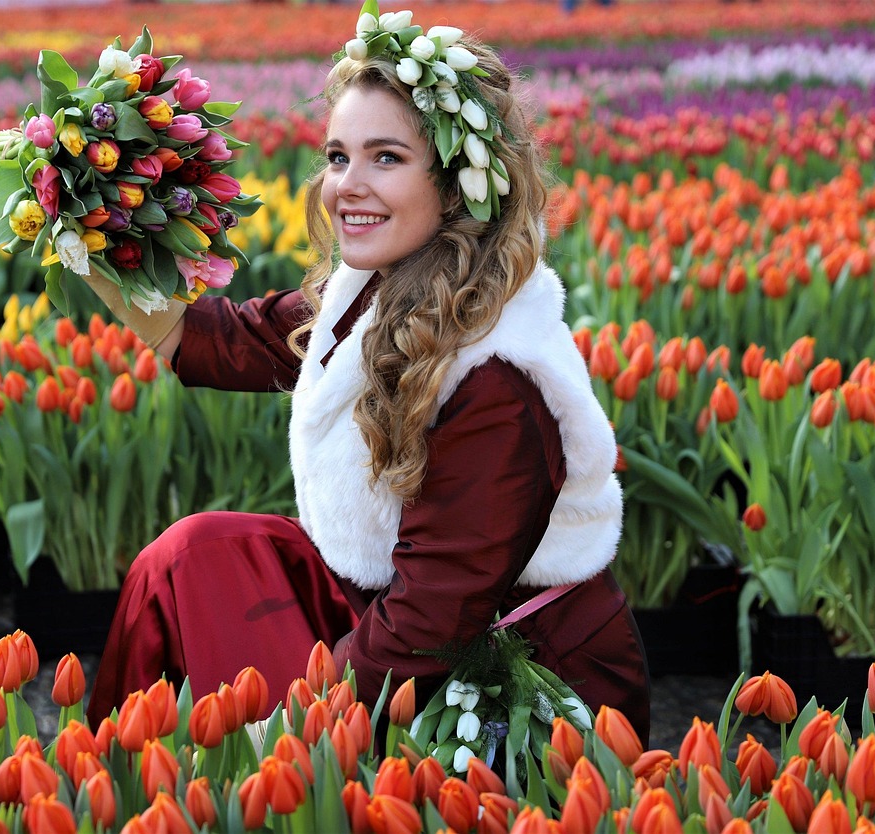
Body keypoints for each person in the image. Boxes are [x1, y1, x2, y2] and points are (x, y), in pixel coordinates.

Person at [84, 11, 650, 741]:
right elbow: (235, 341)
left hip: (513, 689)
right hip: (400, 616)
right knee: (190, 558)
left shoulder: (498, 379)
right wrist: (100, 236)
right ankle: (111, 774)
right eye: (339, 155)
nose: (347, 185)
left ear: (456, 184)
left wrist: (286, 739)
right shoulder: (386, 285)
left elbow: (428, 624)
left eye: (385, 157)